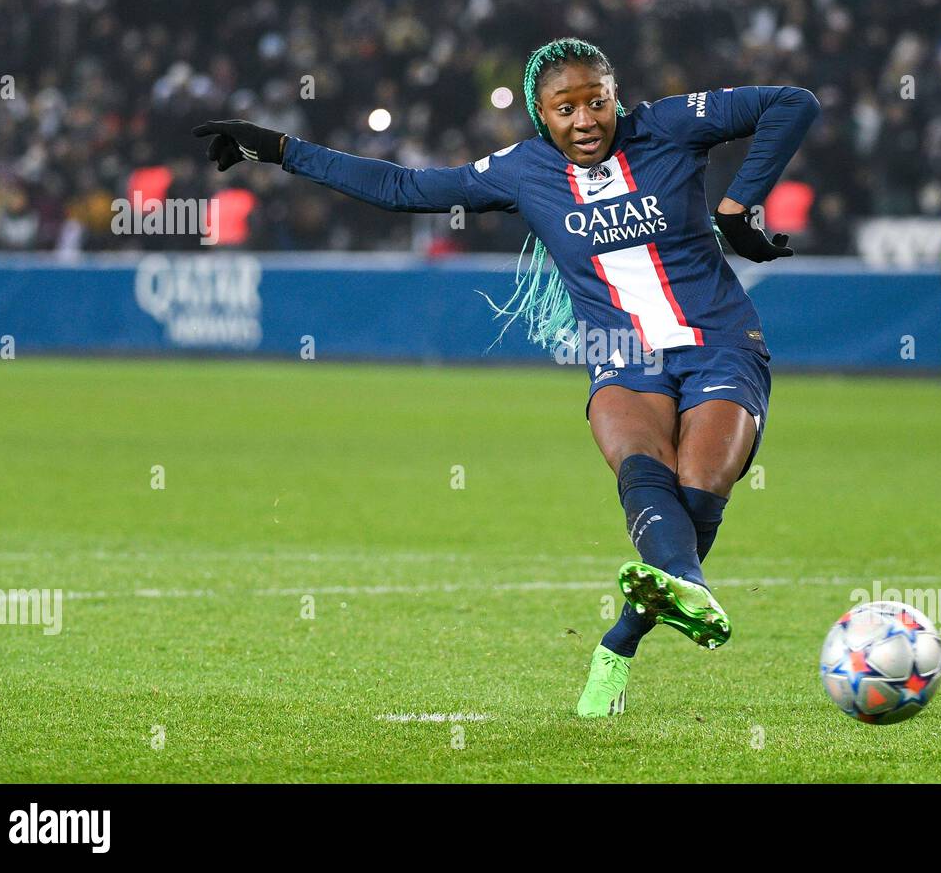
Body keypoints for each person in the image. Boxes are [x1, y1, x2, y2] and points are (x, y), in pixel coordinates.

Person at [193, 36, 820, 717]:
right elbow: (403, 188)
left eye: (597, 101)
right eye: (566, 107)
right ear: (540, 116)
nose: (585, 119)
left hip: (721, 343)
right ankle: (683, 591)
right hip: (623, 353)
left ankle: (618, 644)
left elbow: (792, 103)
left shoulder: (669, 127)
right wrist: (278, 148)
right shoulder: (522, 171)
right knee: (642, 466)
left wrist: (737, 207)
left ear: (617, 98)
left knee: (699, 492)